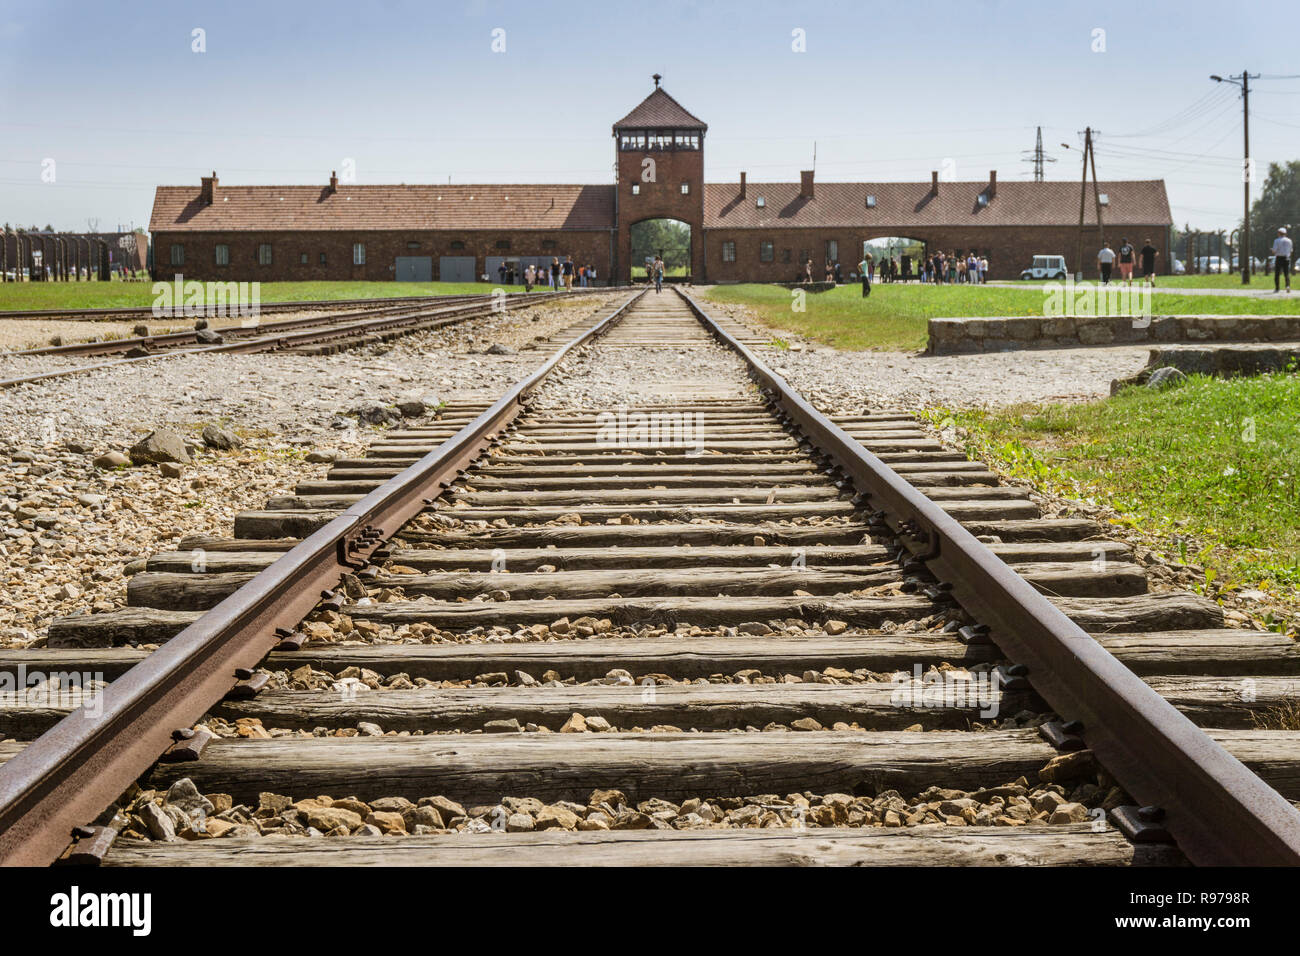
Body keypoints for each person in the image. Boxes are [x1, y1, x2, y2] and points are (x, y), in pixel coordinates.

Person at [1272, 228, 1292, 293]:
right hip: (1286, 258)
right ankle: (1287, 286)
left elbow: (1274, 251)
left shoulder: (1276, 240)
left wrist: (1272, 250)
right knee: (1286, 273)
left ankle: (1277, 288)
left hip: (1279, 257)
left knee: (1277, 273)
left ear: (1279, 233)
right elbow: (1291, 250)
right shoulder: (1289, 240)